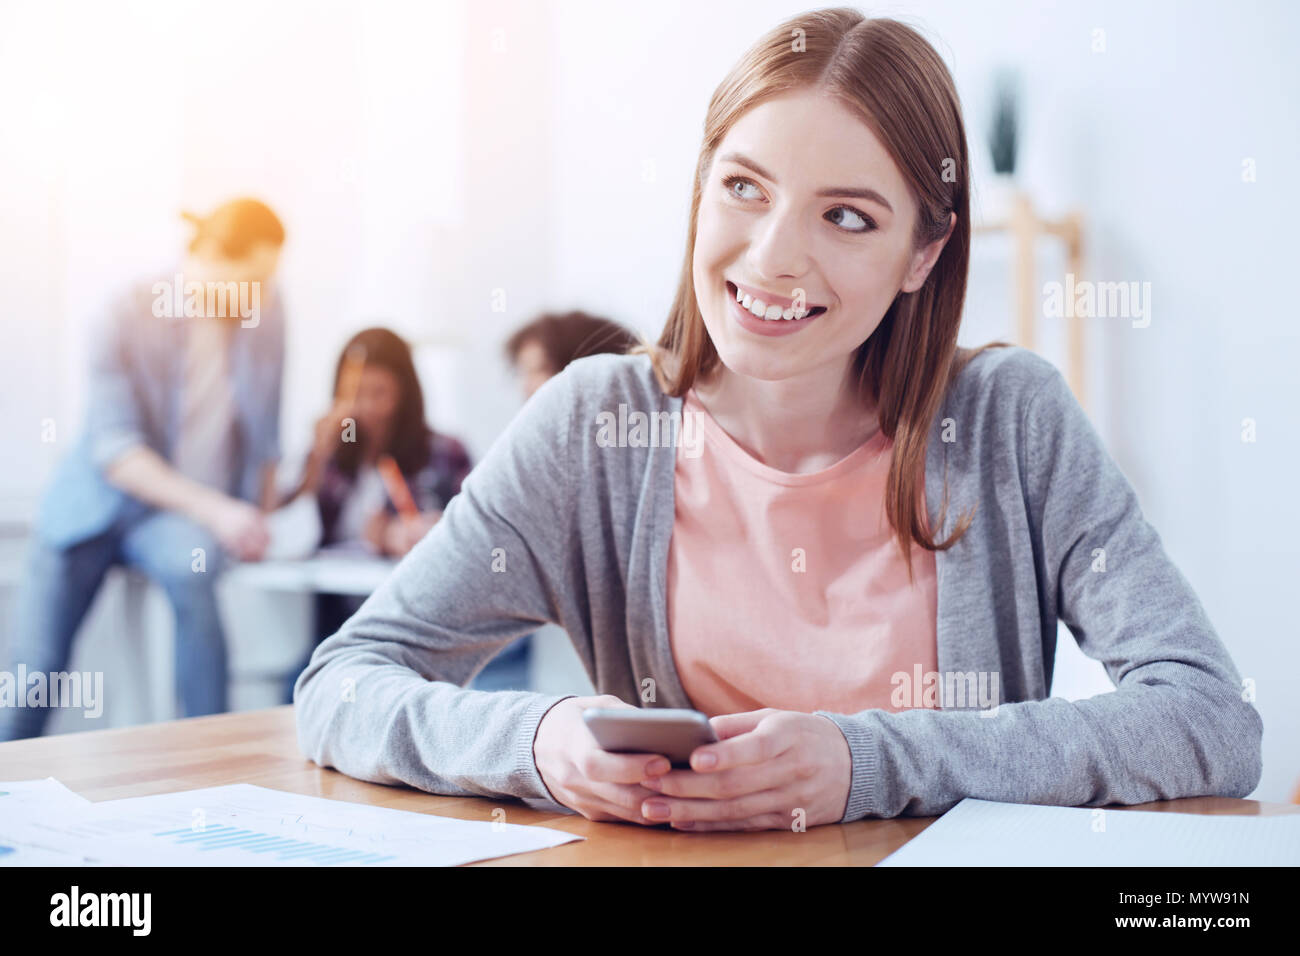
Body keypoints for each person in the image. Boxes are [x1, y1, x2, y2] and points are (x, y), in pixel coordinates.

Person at [293, 11, 1262, 829]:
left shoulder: (1011, 422)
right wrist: (540, 743)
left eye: (846, 216)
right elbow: (342, 681)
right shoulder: (592, 427)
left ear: (923, 254)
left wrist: (863, 761)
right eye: (744, 188)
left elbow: (1209, 718)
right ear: (701, 185)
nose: (773, 257)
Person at [0, 198, 287, 740]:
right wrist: (221, 511)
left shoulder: (267, 309)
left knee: (194, 577)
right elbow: (118, 452)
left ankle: (212, 756)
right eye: (248, 280)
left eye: (266, 282)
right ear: (204, 255)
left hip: (172, 522)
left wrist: (261, 514)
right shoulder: (123, 311)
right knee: (35, 670)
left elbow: (265, 427)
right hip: (95, 505)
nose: (257, 297)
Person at [276, 327, 472, 701]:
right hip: (334, 625)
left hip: (410, 628)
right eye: (354, 394)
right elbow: (284, 531)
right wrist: (316, 456)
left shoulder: (445, 453)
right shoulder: (331, 453)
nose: (365, 407)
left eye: (379, 394)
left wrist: (401, 536)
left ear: (404, 393)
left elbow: (472, 538)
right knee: (297, 689)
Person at [481, 311, 643, 691]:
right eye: (521, 373)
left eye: (536, 370)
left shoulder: (621, 460)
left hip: (553, 668)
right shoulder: (537, 456)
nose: (525, 387)